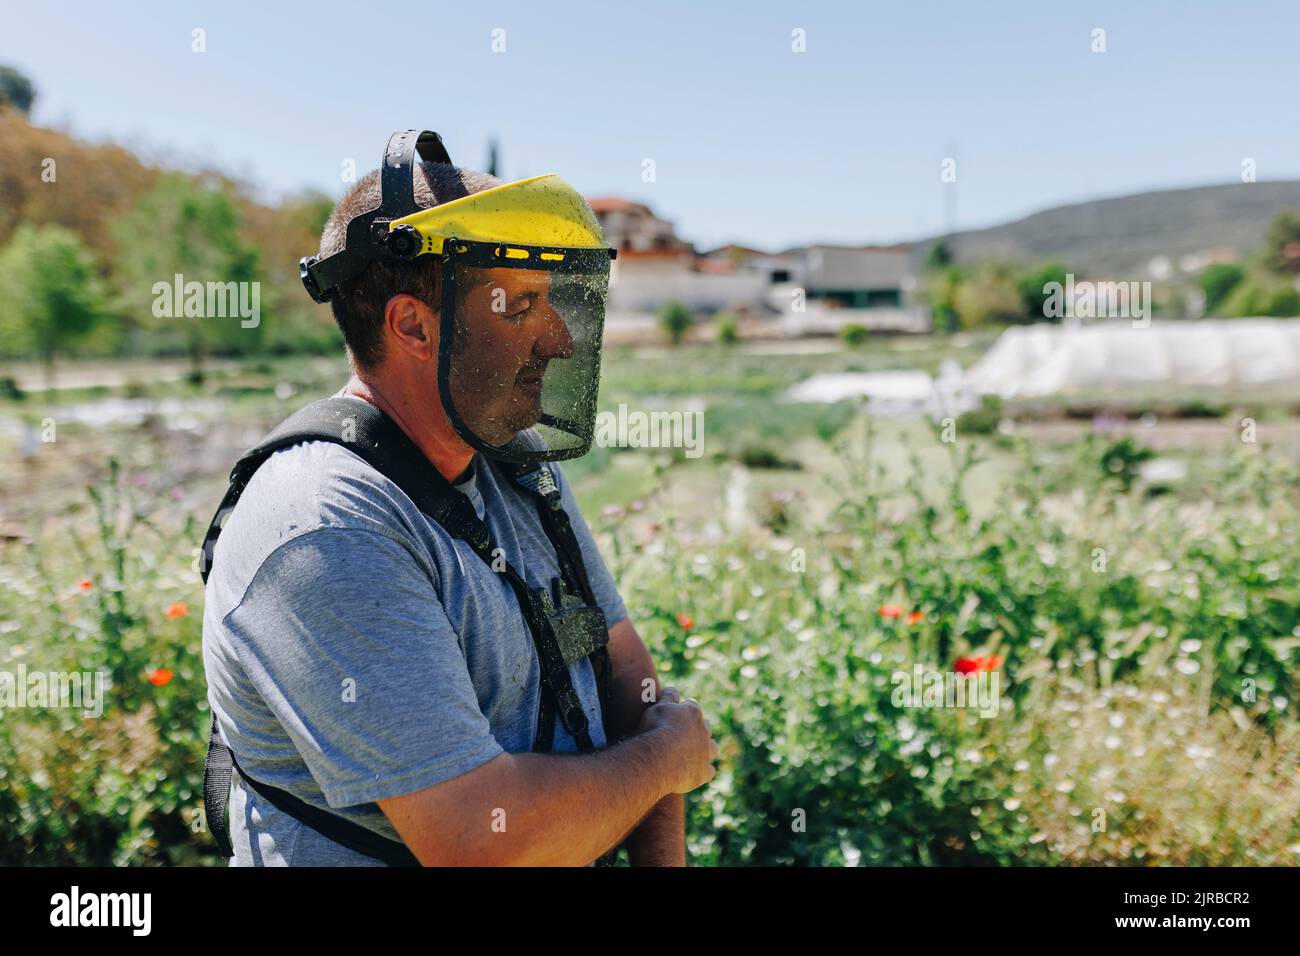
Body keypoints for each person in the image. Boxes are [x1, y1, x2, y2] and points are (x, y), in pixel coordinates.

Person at [200, 131, 717, 866]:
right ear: (413, 325)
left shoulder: (519, 467)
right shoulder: (325, 526)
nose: (560, 340)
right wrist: (665, 761)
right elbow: (479, 841)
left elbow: (629, 682)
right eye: (521, 307)